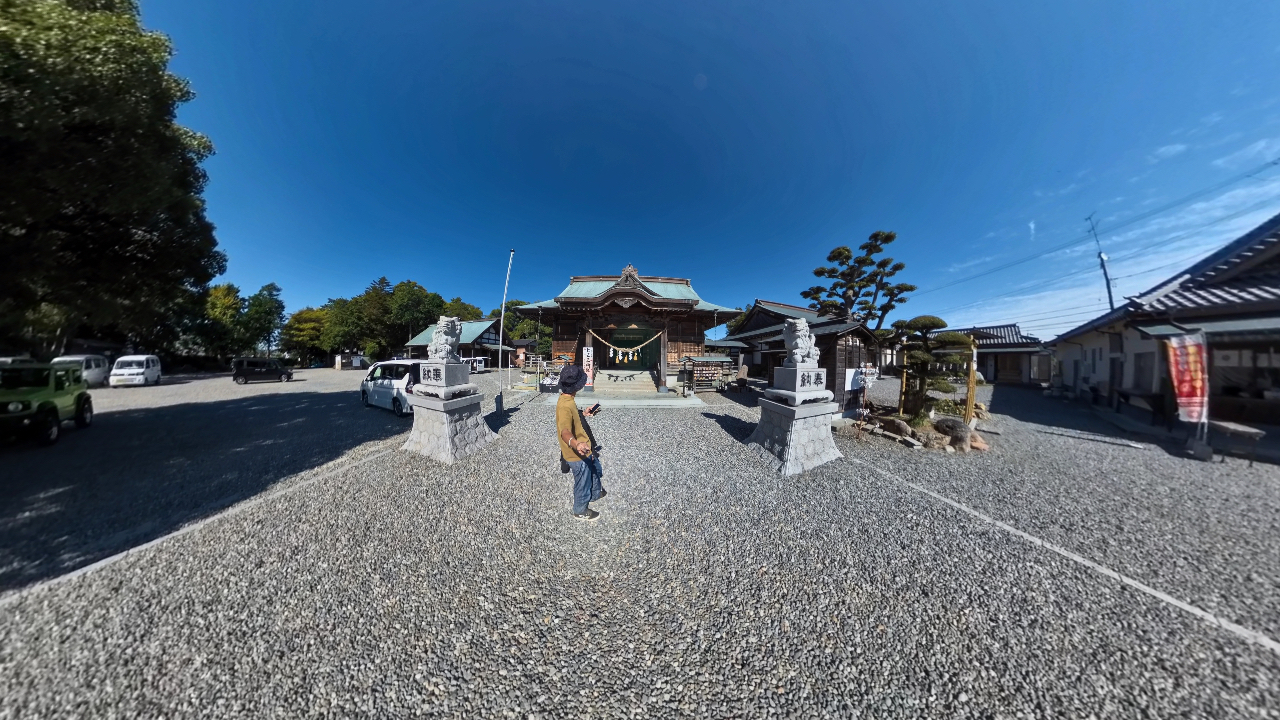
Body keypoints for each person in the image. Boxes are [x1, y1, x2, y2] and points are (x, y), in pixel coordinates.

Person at [556, 365, 605, 520]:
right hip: (576, 452)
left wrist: (584, 414)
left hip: (584, 448)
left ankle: (595, 493)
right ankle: (580, 510)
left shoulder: (567, 399)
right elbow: (564, 431)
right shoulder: (565, 406)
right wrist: (576, 444)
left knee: (595, 468)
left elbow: (573, 418)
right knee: (582, 481)